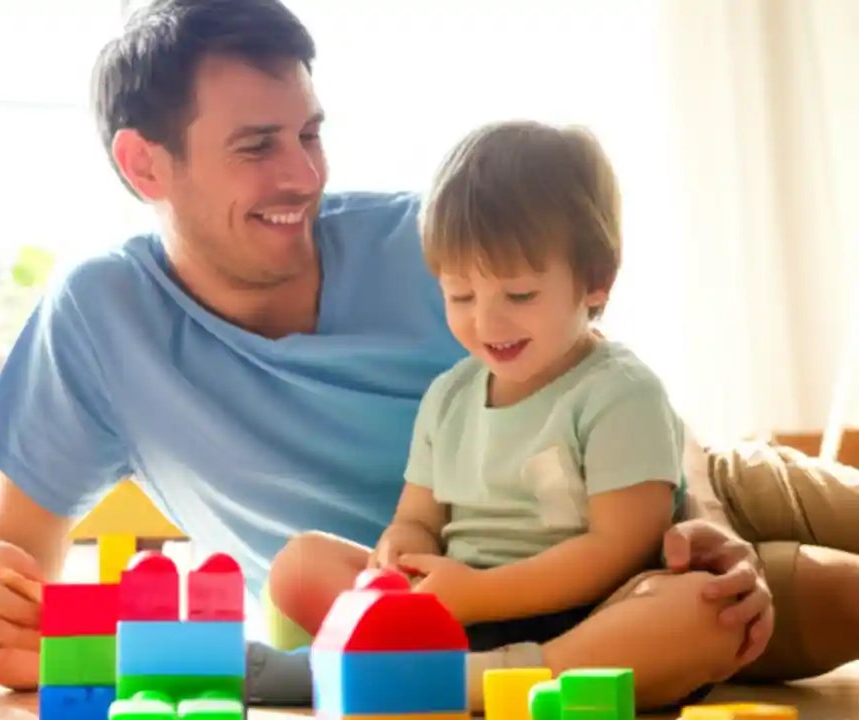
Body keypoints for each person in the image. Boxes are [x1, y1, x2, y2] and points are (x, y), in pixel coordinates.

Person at [0, 0, 859, 712]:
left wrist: (712, 525)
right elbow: (9, 552)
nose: (304, 175)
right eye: (258, 146)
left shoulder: (422, 241)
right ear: (145, 165)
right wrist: (7, 616)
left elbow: (612, 386)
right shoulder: (99, 320)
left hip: (682, 498)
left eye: (309, 134)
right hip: (509, 612)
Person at [266, 119, 726, 709]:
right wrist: (401, 548)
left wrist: (482, 593)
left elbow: (621, 547)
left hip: (587, 621)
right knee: (301, 563)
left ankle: (445, 679)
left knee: (704, 609)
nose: (487, 322)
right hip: (455, 612)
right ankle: (420, 668)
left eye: (520, 295)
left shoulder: (621, 392)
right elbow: (418, 517)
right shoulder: (448, 397)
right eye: (460, 295)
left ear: (595, 282)